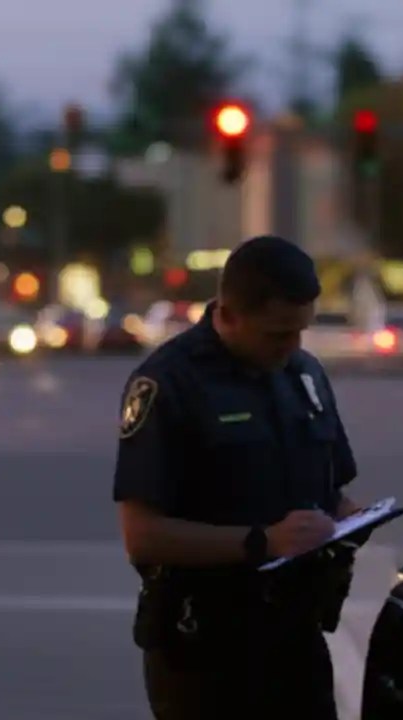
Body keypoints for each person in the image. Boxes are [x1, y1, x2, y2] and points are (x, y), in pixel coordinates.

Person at [113, 235, 363, 720]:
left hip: (296, 637)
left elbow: (332, 487)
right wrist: (263, 542)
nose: (291, 347)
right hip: (206, 650)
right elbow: (141, 536)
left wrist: (349, 520)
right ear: (227, 314)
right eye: (276, 334)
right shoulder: (170, 382)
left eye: (300, 332)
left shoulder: (303, 374)